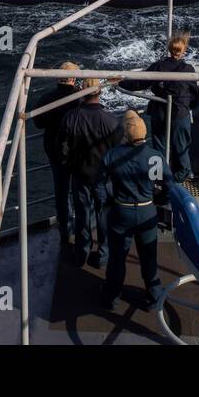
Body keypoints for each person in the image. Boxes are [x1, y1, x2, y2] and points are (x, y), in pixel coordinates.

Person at [99, 111, 171, 312]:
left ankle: (111, 297)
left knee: (117, 258)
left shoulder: (112, 155)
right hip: (148, 211)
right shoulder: (155, 157)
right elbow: (168, 185)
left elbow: (99, 185)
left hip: (121, 212)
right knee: (149, 258)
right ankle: (154, 296)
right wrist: (159, 200)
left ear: (126, 135)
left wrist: (107, 202)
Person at [120, 32, 199, 182]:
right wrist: (189, 107)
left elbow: (139, 83)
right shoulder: (188, 69)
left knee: (159, 145)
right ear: (183, 51)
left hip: (159, 112)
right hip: (180, 112)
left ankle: (160, 176)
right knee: (181, 145)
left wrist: (120, 82)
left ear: (169, 49)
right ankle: (182, 174)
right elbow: (196, 94)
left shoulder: (158, 66)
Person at [59, 78, 122, 268]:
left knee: (82, 214)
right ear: (99, 92)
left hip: (80, 174)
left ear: (82, 93)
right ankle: (103, 255)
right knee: (104, 215)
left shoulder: (71, 118)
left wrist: (70, 165)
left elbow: (62, 149)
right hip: (104, 177)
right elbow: (119, 152)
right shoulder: (112, 122)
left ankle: (81, 253)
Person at [33, 61, 80, 247]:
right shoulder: (80, 98)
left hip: (55, 151)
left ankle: (65, 231)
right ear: (74, 78)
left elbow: (38, 123)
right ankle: (82, 227)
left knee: (61, 192)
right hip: (78, 152)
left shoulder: (46, 98)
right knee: (80, 190)